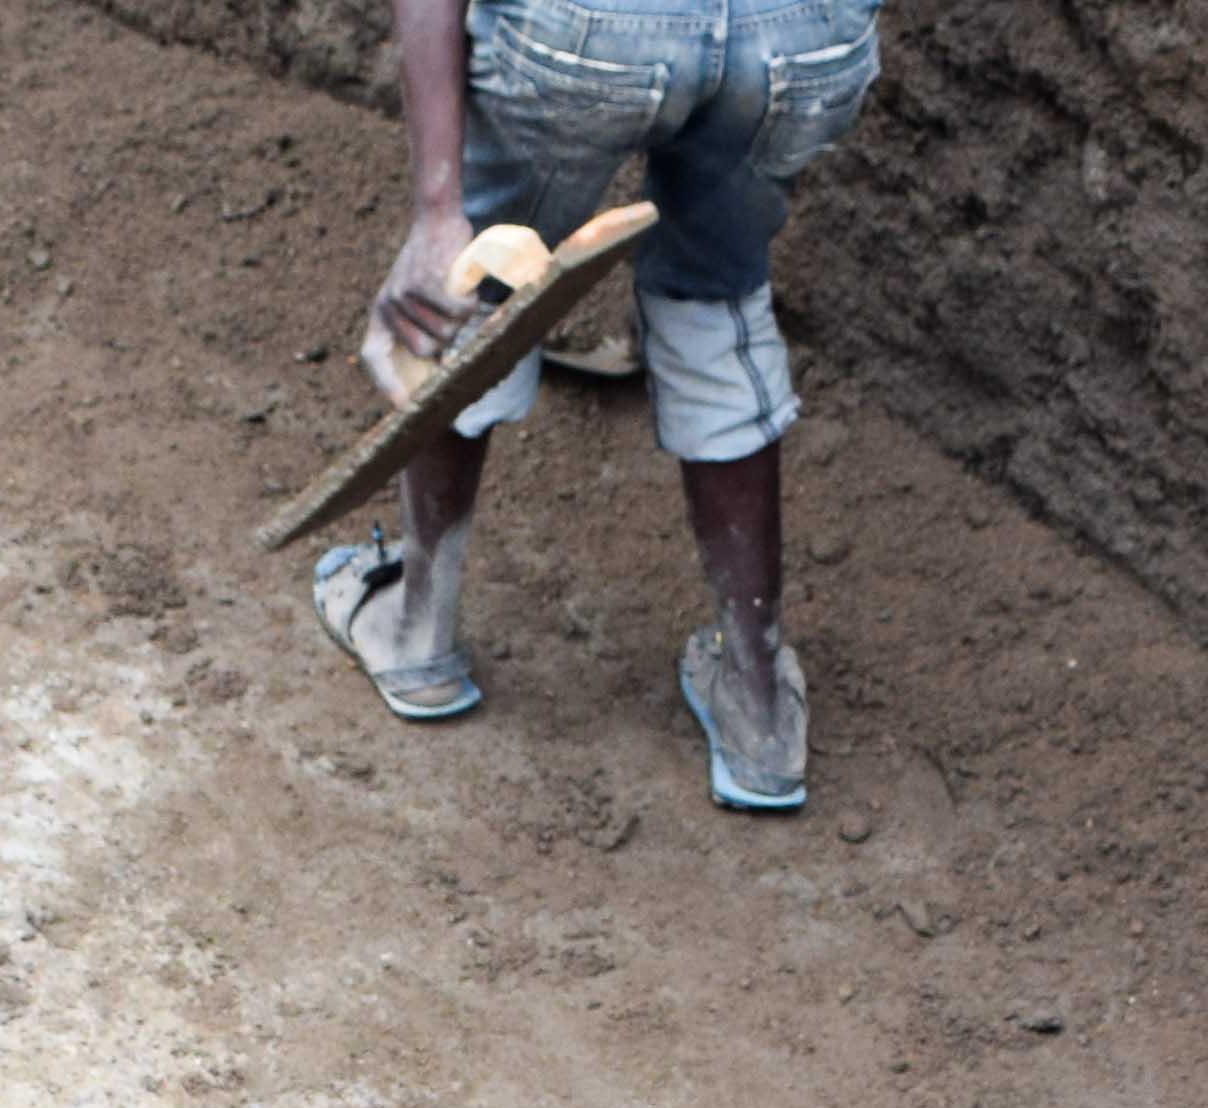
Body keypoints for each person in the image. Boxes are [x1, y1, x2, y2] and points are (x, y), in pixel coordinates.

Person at [311, 0, 877, 811]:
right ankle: (760, 707)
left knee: (483, 274)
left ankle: (415, 628)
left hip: (596, 31)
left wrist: (440, 213)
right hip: (800, 35)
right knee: (719, 295)